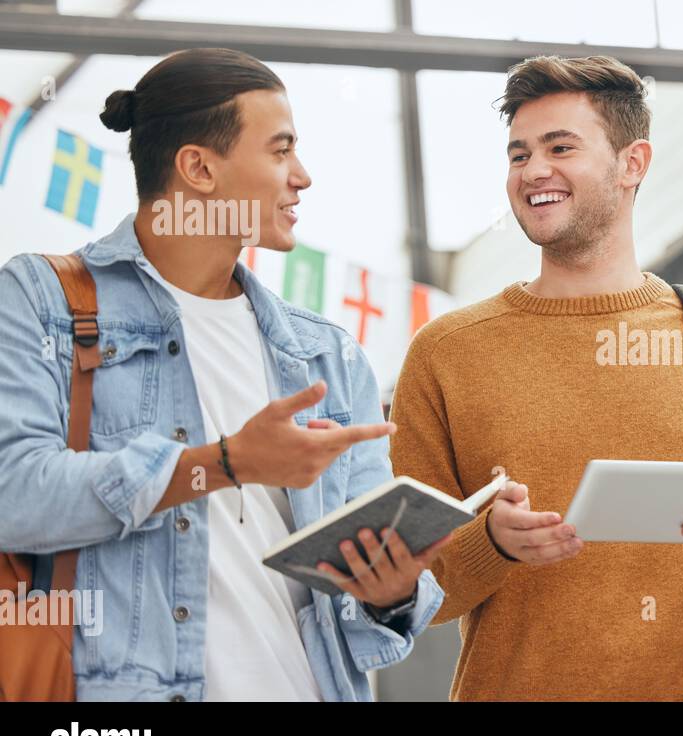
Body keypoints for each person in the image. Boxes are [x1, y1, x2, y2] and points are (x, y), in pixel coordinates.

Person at [0, 48, 443, 701]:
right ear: (199, 168)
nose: (303, 177)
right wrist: (225, 462)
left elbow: (368, 628)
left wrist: (392, 591)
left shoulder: (325, 353)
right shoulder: (43, 299)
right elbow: (14, 498)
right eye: (281, 150)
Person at [389, 55, 683, 700]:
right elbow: (412, 588)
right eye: (519, 154)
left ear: (632, 163)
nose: (534, 171)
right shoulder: (447, 353)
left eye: (561, 148)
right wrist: (491, 545)